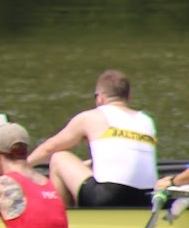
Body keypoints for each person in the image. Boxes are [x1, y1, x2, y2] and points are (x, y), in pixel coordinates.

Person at [28, 70, 157, 207]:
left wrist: (21, 167)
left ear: (100, 97)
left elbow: (49, 148)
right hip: (145, 199)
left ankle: (62, 221)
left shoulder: (91, 117)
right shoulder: (147, 121)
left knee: (59, 157)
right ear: (129, 97)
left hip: (108, 197)